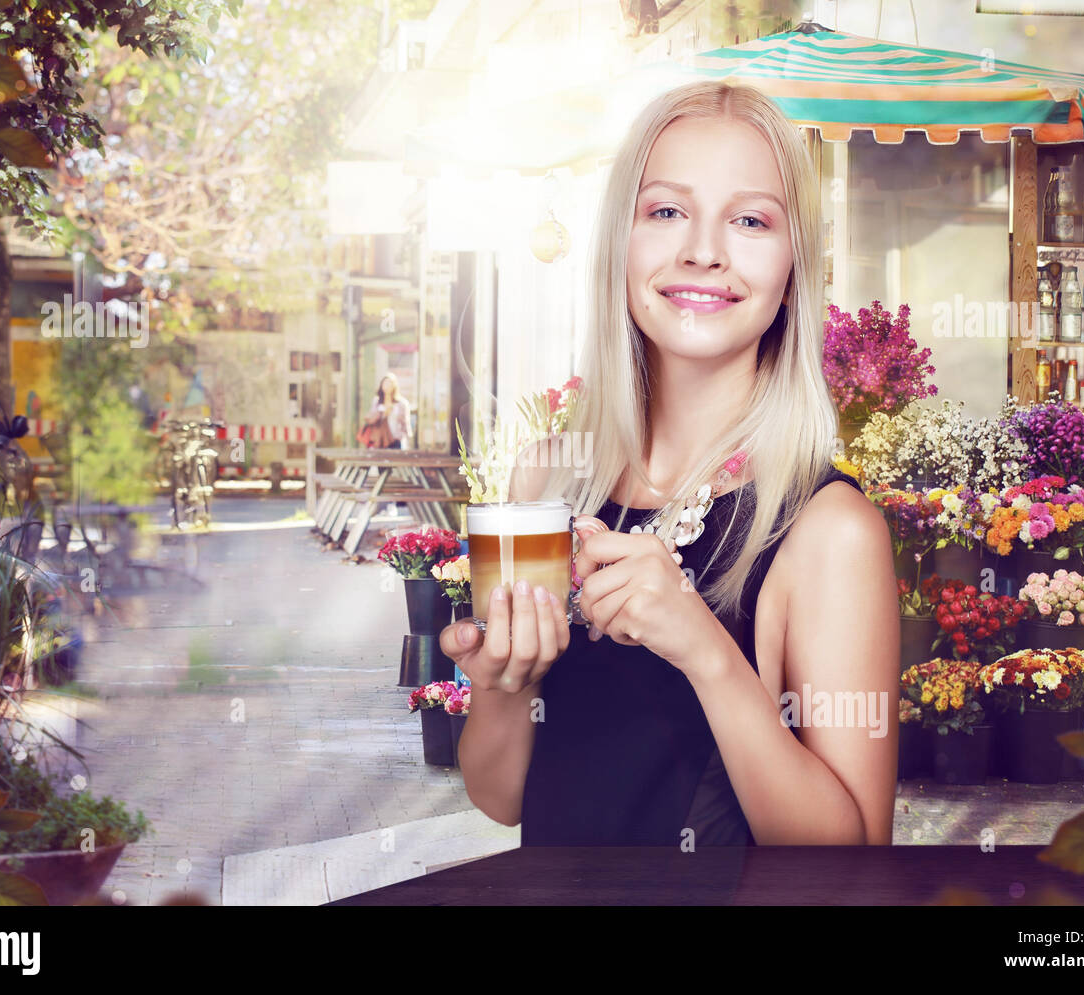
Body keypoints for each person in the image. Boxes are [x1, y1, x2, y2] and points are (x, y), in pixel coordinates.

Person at [439, 81, 898, 847]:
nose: (704, 250)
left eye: (750, 220)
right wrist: (498, 684)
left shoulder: (828, 530)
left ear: (793, 270)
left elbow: (851, 862)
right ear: (622, 241)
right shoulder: (548, 481)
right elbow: (503, 796)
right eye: (666, 211)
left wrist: (704, 648)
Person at [363, 373, 411, 516]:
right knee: (382, 473)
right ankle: (384, 504)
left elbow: (406, 425)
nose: (387, 386)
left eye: (390, 383)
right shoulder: (377, 402)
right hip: (380, 442)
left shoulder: (401, 403)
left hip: (395, 442)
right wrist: (382, 412)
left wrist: (405, 442)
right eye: (385, 383)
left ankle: (392, 504)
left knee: (393, 474)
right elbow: (371, 419)